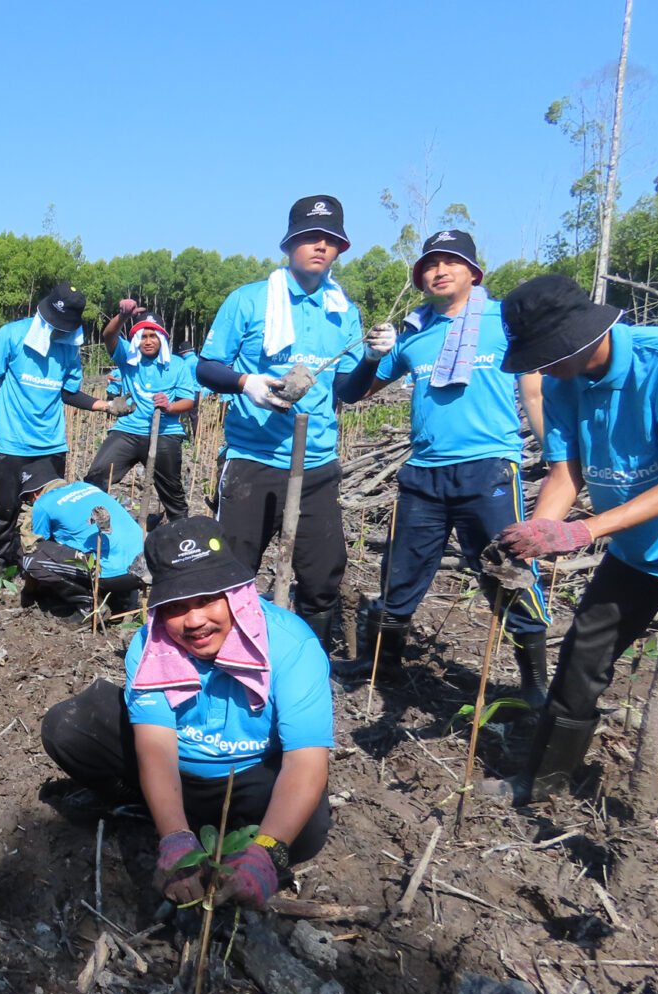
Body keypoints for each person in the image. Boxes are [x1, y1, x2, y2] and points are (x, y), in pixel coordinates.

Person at [492, 275, 658, 831]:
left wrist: (586, 531)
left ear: (579, 337)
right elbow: (565, 471)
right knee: (582, 655)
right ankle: (544, 781)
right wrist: (540, 531)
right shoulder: (562, 382)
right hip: (635, 547)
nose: (542, 367)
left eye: (548, 355)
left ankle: (657, 819)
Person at [41, 517, 332, 908]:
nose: (194, 621)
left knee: (306, 831)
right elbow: (157, 748)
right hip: (175, 768)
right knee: (70, 726)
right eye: (176, 606)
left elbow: (304, 761)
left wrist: (267, 851)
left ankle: (243, 847)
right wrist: (174, 835)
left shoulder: (292, 645)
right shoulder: (150, 645)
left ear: (236, 594)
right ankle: (160, 816)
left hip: (248, 780)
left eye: (207, 600)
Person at [335, 230, 551, 703]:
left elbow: (533, 392)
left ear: (474, 272)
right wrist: (372, 355)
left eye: (450, 261)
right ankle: (381, 668)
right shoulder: (413, 334)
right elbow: (352, 394)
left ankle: (535, 684)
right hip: (424, 473)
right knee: (400, 573)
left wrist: (554, 453)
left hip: (489, 468)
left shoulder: (505, 322)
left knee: (507, 569)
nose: (438, 270)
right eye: (429, 264)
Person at [194, 196, 366, 647]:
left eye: (331, 239)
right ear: (290, 243)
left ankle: (309, 659)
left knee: (323, 569)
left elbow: (347, 389)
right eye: (310, 236)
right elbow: (206, 367)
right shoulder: (249, 301)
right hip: (253, 457)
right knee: (234, 566)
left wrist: (376, 360)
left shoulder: (343, 311)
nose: (320, 246)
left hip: (316, 462)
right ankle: (227, 654)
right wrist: (247, 383)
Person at [0, 281, 119, 572]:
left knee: (52, 512)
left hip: (51, 446)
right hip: (13, 444)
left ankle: (46, 567)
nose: (58, 330)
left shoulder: (69, 348)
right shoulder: (12, 334)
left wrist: (106, 406)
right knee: (4, 512)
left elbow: (68, 392)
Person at [86, 303, 199, 521]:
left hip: (165, 431)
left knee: (172, 492)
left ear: (162, 339)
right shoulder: (127, 357)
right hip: (128, 429)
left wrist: (169, 406)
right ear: (136, 339)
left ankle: (181, 532)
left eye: (153, 336)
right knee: (96, 476)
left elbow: (188, 402)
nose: (148, 341)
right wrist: (122, 316)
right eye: (143, 336)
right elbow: (109, 335)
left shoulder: (177, 365)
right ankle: (91, 524)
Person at [18, 464, 146, 622]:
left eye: (29, 500)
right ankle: (121, 599)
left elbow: (37, 545)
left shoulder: (43, 503)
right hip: (146, 564)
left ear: (36, 494)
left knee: (32, 558)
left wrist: (28, 594)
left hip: (113, 576)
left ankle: (89, 607)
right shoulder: (86, 486)